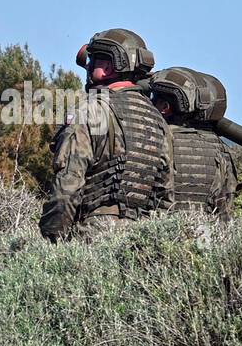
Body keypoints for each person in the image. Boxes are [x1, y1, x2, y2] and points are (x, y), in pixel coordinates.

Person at [39, 29, 171, 241]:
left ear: (108, 67)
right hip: (142, 242)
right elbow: (166, 196)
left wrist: (51, 239)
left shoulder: (91, 110)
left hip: (93, 236)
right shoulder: (158, 121)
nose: (88, 66)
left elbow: (67, 185)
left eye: (93, 60)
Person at [147, 66, 237, 219]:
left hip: (157, 229)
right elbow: (224, 210)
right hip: (203, 231)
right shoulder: (219, 150)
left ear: (164, 107)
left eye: (153, 98)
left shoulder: (156, 140)